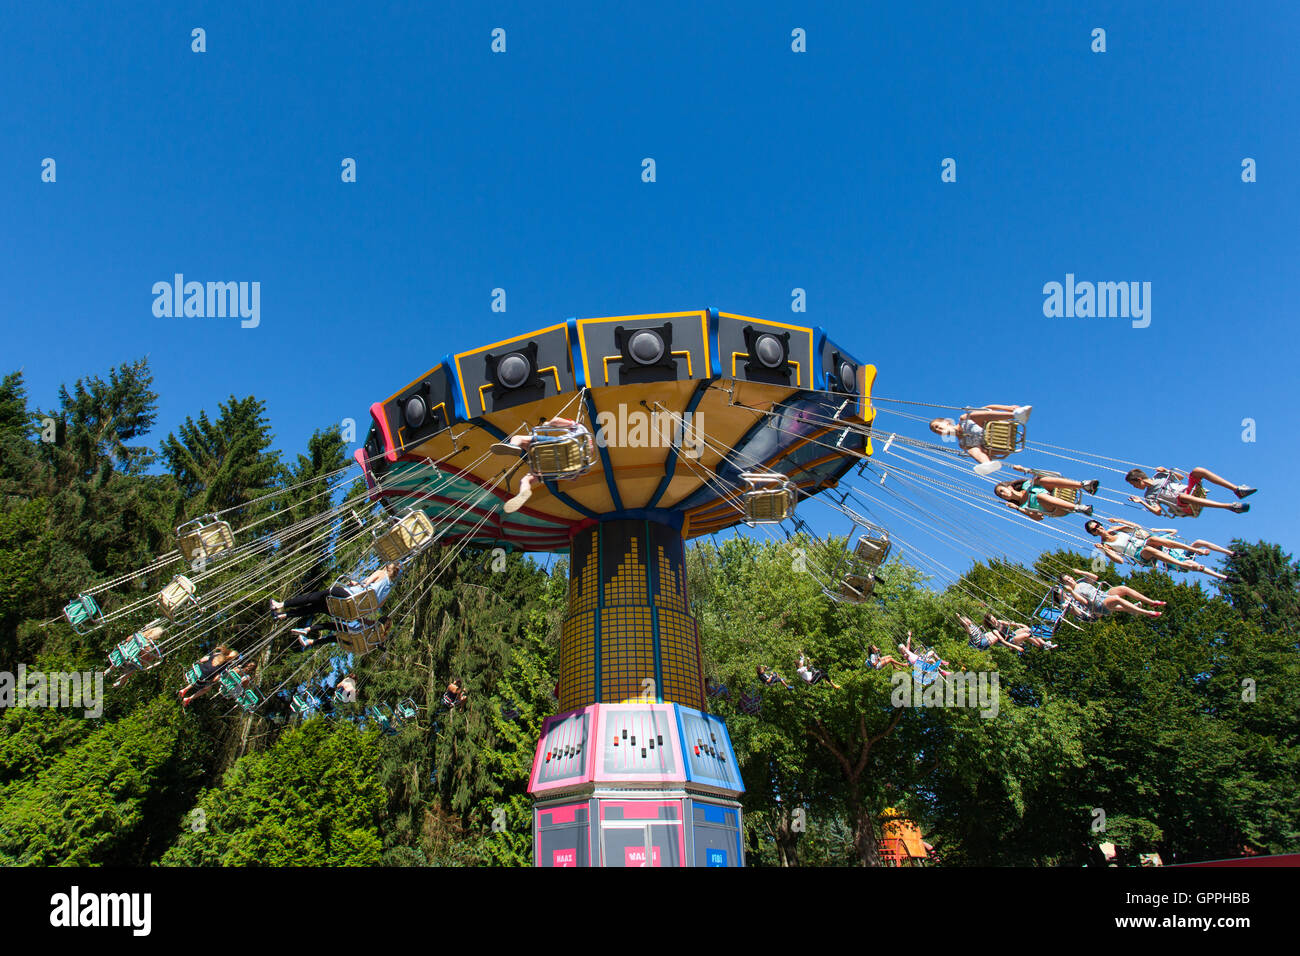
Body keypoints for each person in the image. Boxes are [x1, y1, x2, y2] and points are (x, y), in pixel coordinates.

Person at [492, 417, 596, 514]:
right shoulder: (586, 456)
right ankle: (523, 493)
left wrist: (548, 423)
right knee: (526, 479)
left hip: (558, 447)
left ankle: (513, 445)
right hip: (562, 467)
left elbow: (556, 420)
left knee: (518, 438)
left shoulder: (577, 426)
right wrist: (564, 474)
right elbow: (574, 478)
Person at [1084, 518, 1233, 580]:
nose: (1099, 529)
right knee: (1149, 549)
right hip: (1140, 554)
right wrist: (1106, 551)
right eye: (1095, 530)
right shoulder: (1105, 545)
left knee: (1153, 540)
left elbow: (1136, 528)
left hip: (1146, 543)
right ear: (1094, 534)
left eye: (1098, 525)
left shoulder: (1116, 529)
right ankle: (1183, 563)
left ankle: (1199, 551)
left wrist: (1119, 522)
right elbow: (1120, 561)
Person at [270, 563, 401, 620]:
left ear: (387, 568)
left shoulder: (380, 573)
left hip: (351, 596)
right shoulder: (388, 589)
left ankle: (281, 605)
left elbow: (366, 584)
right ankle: (284, 616)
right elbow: (377, 606)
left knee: (317, 596)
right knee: (318, 608)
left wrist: (355, 583)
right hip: (355, 610)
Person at [929, 404, 1033, 475]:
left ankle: (1016, 415)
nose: (937, 430)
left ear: (947, 422)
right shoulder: (963, 444)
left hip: (994, 429)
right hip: (995, 444)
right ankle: (986, 463)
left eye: (937, 426)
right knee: (968, 447)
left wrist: (1009, 408)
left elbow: (988, 407)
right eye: (935, 431)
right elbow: (980, 452)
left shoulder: (964, 421)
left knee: (965, 417)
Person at [1125, 467, 1255, 517]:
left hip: (1188, 491)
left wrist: (1165, 471)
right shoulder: (1148, 496)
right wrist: (1142, 502)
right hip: (1184, 506)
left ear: (1139, 479)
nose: (1134, 487)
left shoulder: (1159, 476)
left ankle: (1237, 490)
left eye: (1133, 484)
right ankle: (1230, 507)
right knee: (1182, 497)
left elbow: (1180, 477)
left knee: (1198, 471)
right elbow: (1158, 512)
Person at [994, 465, 1099, 519]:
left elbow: (1046, 476)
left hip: (1059, 493)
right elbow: (1039, 517)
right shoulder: (1022, 506)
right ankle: (1079, 508)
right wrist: (1017, 508)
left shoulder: (1026, 485)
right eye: (1001, 495)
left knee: (1040, 480)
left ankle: (1084, 485)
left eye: (1002, 491)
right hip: (1056, 510)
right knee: (1040, 497)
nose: (1003, 494)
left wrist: (1026, 470)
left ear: (1010, 487)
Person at [1058, 569, 1165, 619]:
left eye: (1070, 578)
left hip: (1102, 595)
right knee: (1116, 598)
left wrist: (1081, 572)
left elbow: (1095, 577)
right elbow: (1084, 602)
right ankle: (1147, 612)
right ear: (1065, 584)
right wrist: (1071, 591)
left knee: (1123, 589)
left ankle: (1151, 602)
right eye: (1067, 581)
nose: (1071, 581)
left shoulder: (1082, 581)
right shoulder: (1073, 593)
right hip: (1096, 604)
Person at [291, 617, 393, 650]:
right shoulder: (382, 637)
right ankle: (309, 642)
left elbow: (361, 620)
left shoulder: (376, 624)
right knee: (334, 638)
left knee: (330, 625)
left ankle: (308, 629)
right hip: (355, 644)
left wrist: (354, 617)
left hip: (352, 633)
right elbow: (379, 646)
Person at [981, 611, 1055, 651]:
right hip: (1011, 640)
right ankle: (1043, 645)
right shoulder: (995, 631)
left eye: (993, 617)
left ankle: (1044, 644)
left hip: (1013, 634)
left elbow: (1010, 623)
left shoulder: (999, 621)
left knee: (1028, 630)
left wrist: (1021, 625)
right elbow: (1003, 641)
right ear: (990, 622)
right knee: (1027, 635)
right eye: (991, 620)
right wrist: (1016, 647)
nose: (994, 620)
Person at [955, 614, 1025, 654]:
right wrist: (959, 618)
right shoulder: (969, 629)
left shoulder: (972, 625)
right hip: (981, 643)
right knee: (996, 636)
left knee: (991, 633)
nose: (968, 620)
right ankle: (1009, 645)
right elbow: (965, 625)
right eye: (967, 620)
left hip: (983, 638)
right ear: (966, 622)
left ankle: (1008, 643)